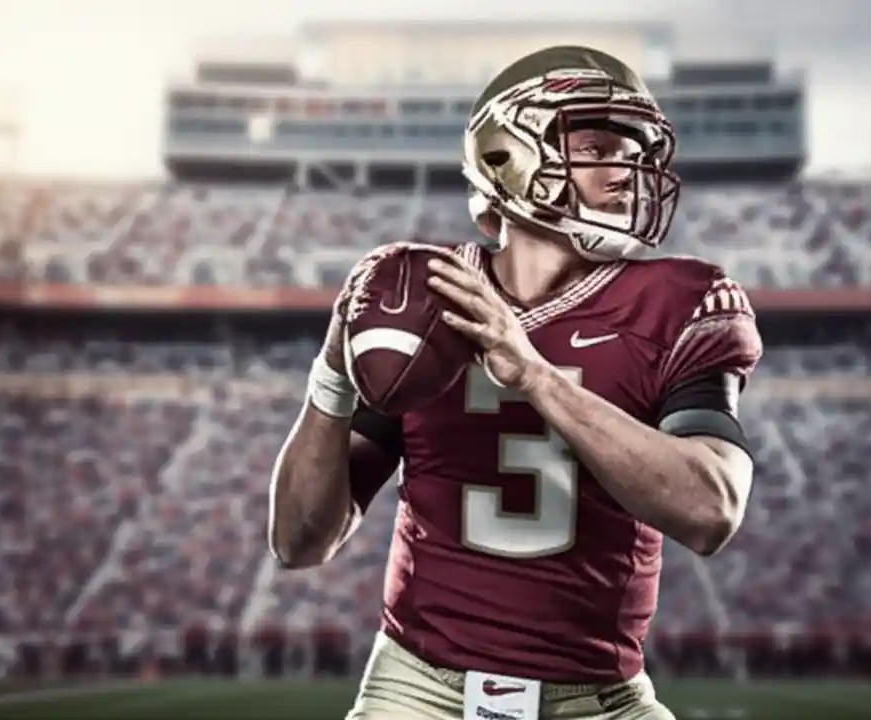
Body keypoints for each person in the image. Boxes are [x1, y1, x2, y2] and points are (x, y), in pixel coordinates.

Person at [269, 45, 763, 720]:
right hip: (420, 690)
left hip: (599, 698)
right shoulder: (427, 296)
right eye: (598, 146)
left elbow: (712, 510)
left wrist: (531, 372)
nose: (628, 171)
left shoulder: (682, 300)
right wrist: (332, 377)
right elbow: (300, 541)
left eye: (634, 151)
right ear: (511, 156)